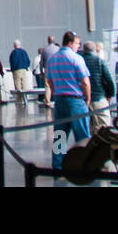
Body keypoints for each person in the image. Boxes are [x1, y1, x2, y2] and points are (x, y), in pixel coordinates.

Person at [45, 31, 91, 170]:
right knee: (82, 135)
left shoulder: (52, 59)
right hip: (75, 100)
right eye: (78, 43)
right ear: (70, 43)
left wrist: (55, 92)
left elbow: (49, 80)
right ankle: (85, 163)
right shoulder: (76, 58)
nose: (79, 46)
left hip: (60, 101)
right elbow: (85, 82)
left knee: (60, 134)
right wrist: (87, 98)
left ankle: (58, 165)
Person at [79, 40, 116, 132]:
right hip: (99, 98)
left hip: (82, 100)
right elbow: (109, 80)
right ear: (95, 50)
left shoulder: (79, 61)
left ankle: (59, 146)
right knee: (103, 129)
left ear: (83, 50)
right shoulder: (99, 61)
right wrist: (110, 94)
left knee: (88, 130)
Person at [39, 35, 60, 106]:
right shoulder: (58, 49)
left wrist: (41, 72)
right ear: (54, 41)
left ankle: (47, 101)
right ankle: (57, 99)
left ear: (48, 41)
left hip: (47, 69)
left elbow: (41, 62)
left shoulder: (45, 50)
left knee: (47, 85)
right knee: (57, 84)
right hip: (56, 68)